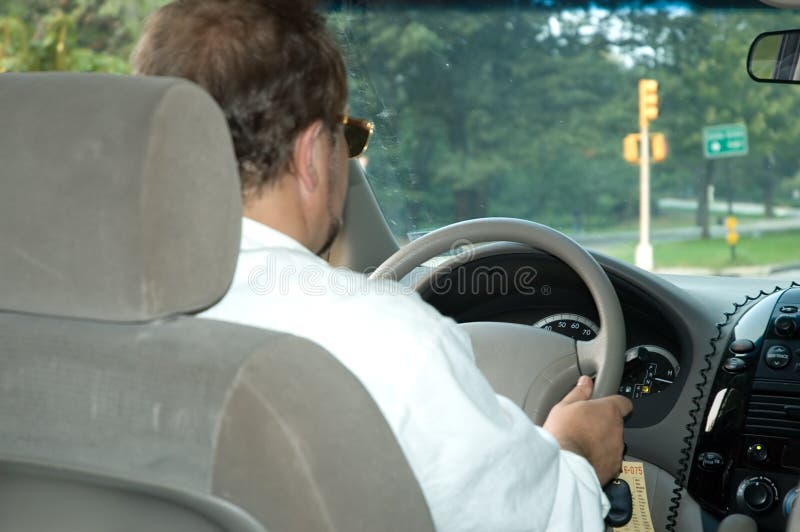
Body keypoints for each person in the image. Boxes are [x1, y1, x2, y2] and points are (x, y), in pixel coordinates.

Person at [132, 1, 632, 530]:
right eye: (345, 137)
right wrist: (575, 450)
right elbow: (536, 518)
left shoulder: (85, 311)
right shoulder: (391, 344)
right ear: (310, 157)